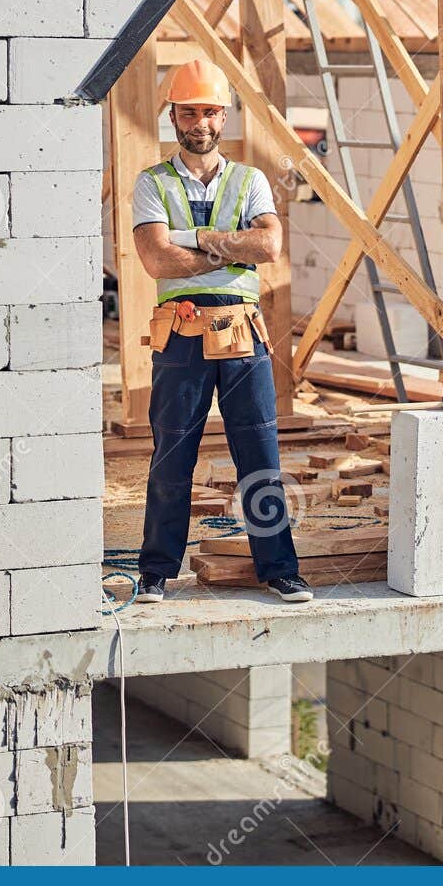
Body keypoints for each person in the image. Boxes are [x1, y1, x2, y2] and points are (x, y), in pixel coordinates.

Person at [130, 59, 312, 604]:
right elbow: (156, 261)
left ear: (223, 115)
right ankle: (157, 571)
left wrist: (196, 239)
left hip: (242, 333)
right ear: (174, 116)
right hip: (181, 335)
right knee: (171, 458)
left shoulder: (251, 180)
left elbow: (270, 247)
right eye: (189, 112)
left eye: (209, 111)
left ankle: (278, 568)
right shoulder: (151, 184)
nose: (200, 122)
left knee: (260, 456)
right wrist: (231, 248)